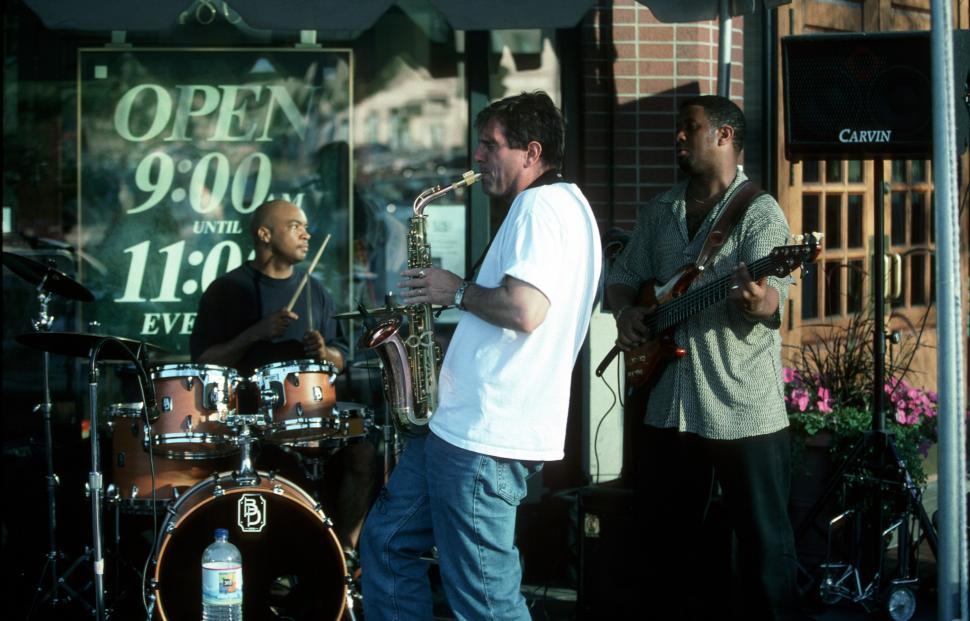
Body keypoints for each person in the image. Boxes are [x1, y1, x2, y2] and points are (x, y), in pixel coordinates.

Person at [358, 91, 602, 620]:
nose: (478, 158)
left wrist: (455, 291)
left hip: (483, 436)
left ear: (531, 152)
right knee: (385, 542)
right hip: (460, 427)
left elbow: (525, 309)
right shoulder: (567, 206)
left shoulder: (540, 207)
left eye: (490, 146)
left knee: (484, 600)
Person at [606, 94, 799, 620]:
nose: (679, 138)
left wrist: (762, 301)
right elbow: (621, 279)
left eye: (689, 128)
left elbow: (778, 289)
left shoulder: (760, 211)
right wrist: (626, 315)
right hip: (669, 402)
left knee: (765, 548)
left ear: (724, 136)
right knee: (664, 546)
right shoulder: (660, 210)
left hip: (742, 406)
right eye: (678, 129)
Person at [189, 199, 377, 556]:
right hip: (250, 423)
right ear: (264, 234)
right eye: (295, 226)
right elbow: (203, 360)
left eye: (306, 226)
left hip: (313, 415)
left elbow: (341, 356)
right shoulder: (227, 291)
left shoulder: (316, 291)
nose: (306, 234)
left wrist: (324, 354)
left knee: (363, 453)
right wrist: (254, 333)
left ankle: (345, 557)